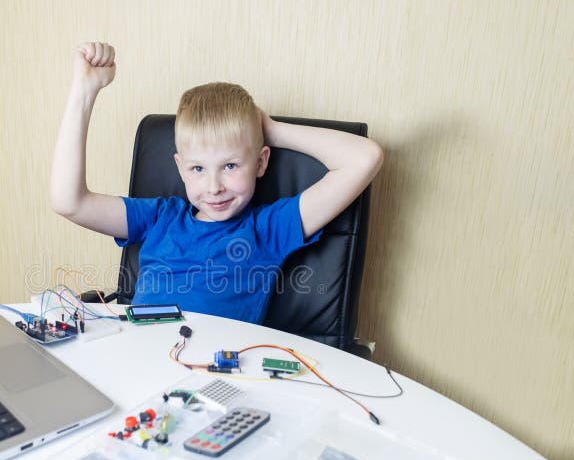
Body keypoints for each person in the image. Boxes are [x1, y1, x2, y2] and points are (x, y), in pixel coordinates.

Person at [50, 42, 383, 323]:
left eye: (230, 165)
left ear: (261, 162)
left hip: (207, 374)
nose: (213, 186)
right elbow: (69, 202)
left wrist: (273, 129)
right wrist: (84, 90)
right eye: (197, 169)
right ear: (180, 168)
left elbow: (364, 158)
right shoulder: (159, 218)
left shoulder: (268, 228)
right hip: (138, 359)